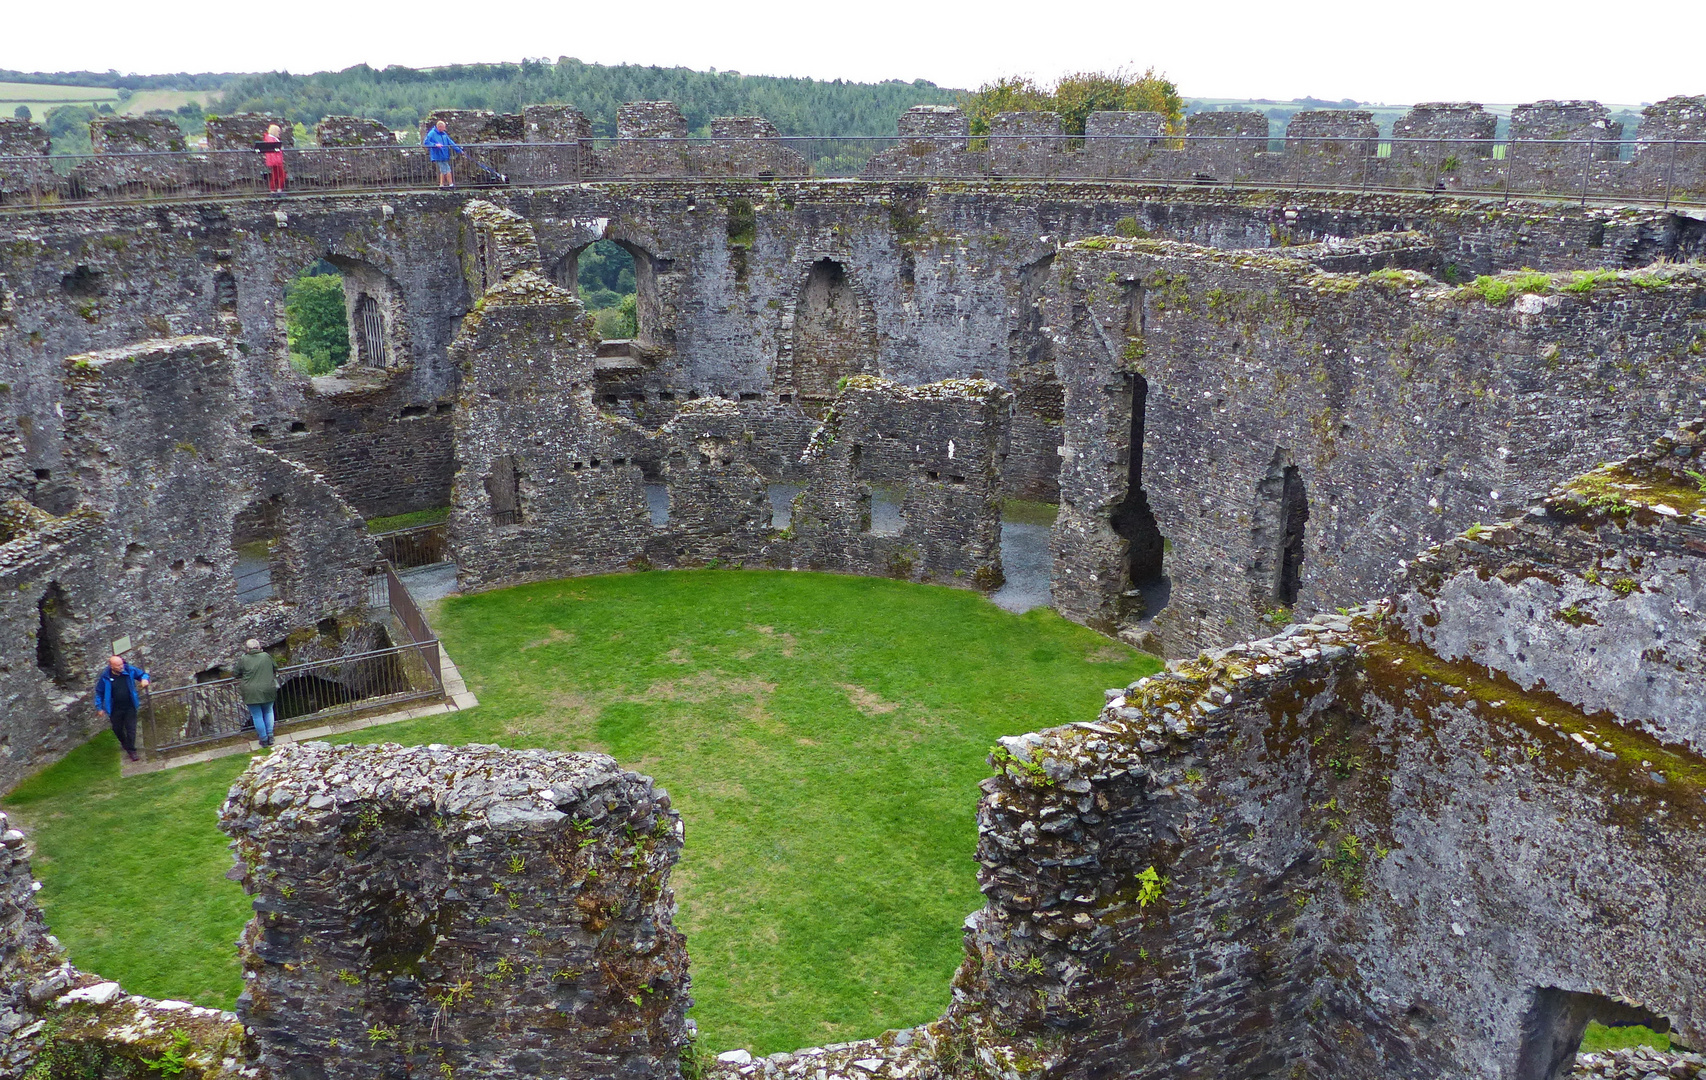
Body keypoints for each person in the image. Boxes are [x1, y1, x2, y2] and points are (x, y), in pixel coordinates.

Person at [94, 655, 149, 763]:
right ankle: (125, 744)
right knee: (117, 729)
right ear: (112, 666)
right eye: (118, 665)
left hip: (130, 706)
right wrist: (99, 707)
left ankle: (132, 751)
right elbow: (99, 692)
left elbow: (143, 674)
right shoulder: (105, 677)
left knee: (131, 729)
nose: (121, 666)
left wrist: (144, 679)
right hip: (115, 708)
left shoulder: (129, 670)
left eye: (121, 664)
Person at [235, 639, 279, 748]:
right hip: (267, 688)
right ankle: (270, 736)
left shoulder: (243, 659)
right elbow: (275, 667)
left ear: (248, 649)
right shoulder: (266, 656)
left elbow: (236, 673)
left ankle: (263, 740)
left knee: (257, 715)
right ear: (259, 647)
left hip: (250, 691)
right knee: (268, 711)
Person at [423, 120, 464, 189]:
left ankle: (441, 185)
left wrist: (459, 150)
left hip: (444, 154)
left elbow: (451, 142)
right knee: (447, 169)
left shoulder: (444, 134)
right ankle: (451, 184)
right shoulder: (432, 133)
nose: (445, 129)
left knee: (443, 170)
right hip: (438, 154)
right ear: (439, 127)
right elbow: (426, 142)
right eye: (444, 127)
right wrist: (435, 145)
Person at [262, 123, 286, 196]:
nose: (279, 133)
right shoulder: (271, 138)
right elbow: (275, 148)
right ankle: (278, 189)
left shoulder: (269, 137)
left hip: (274, 160)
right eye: (278, 131)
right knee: (282, 175)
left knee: (275, 175)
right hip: (276, 160)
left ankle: (273, 190)